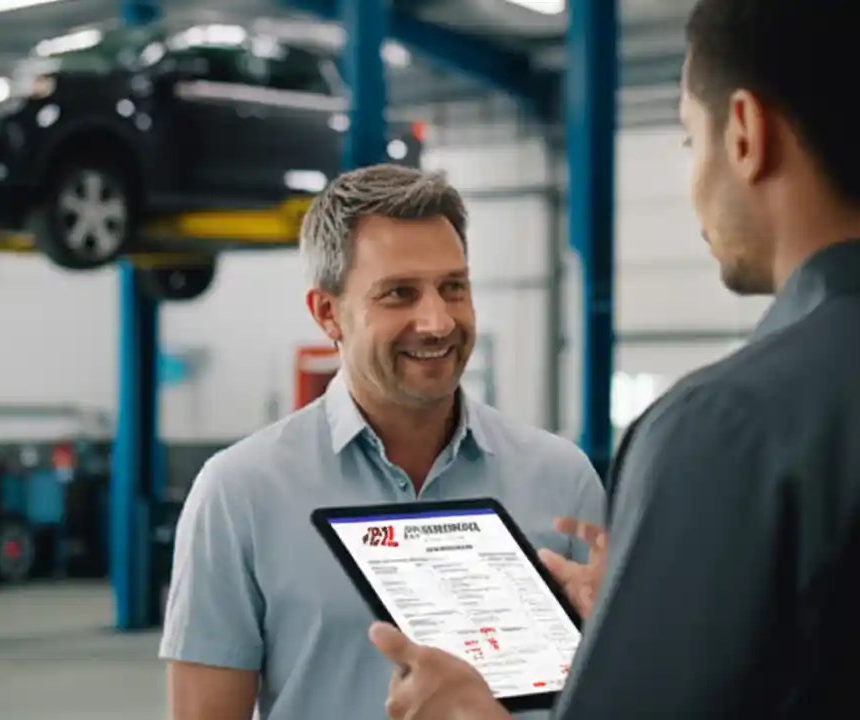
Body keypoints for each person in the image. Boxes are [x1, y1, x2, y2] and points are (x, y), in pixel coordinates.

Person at [367, 1, 860, 718]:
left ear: (745, 132)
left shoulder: (725, 429)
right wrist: (651, 622)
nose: (696, 180)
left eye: (690, 139)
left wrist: (470, 709)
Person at [158, 164, 607, 720]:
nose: (438, 321)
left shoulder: (562, 480)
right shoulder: (240, 494)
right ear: (328, 313)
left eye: (453, 288)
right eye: (399, 294)